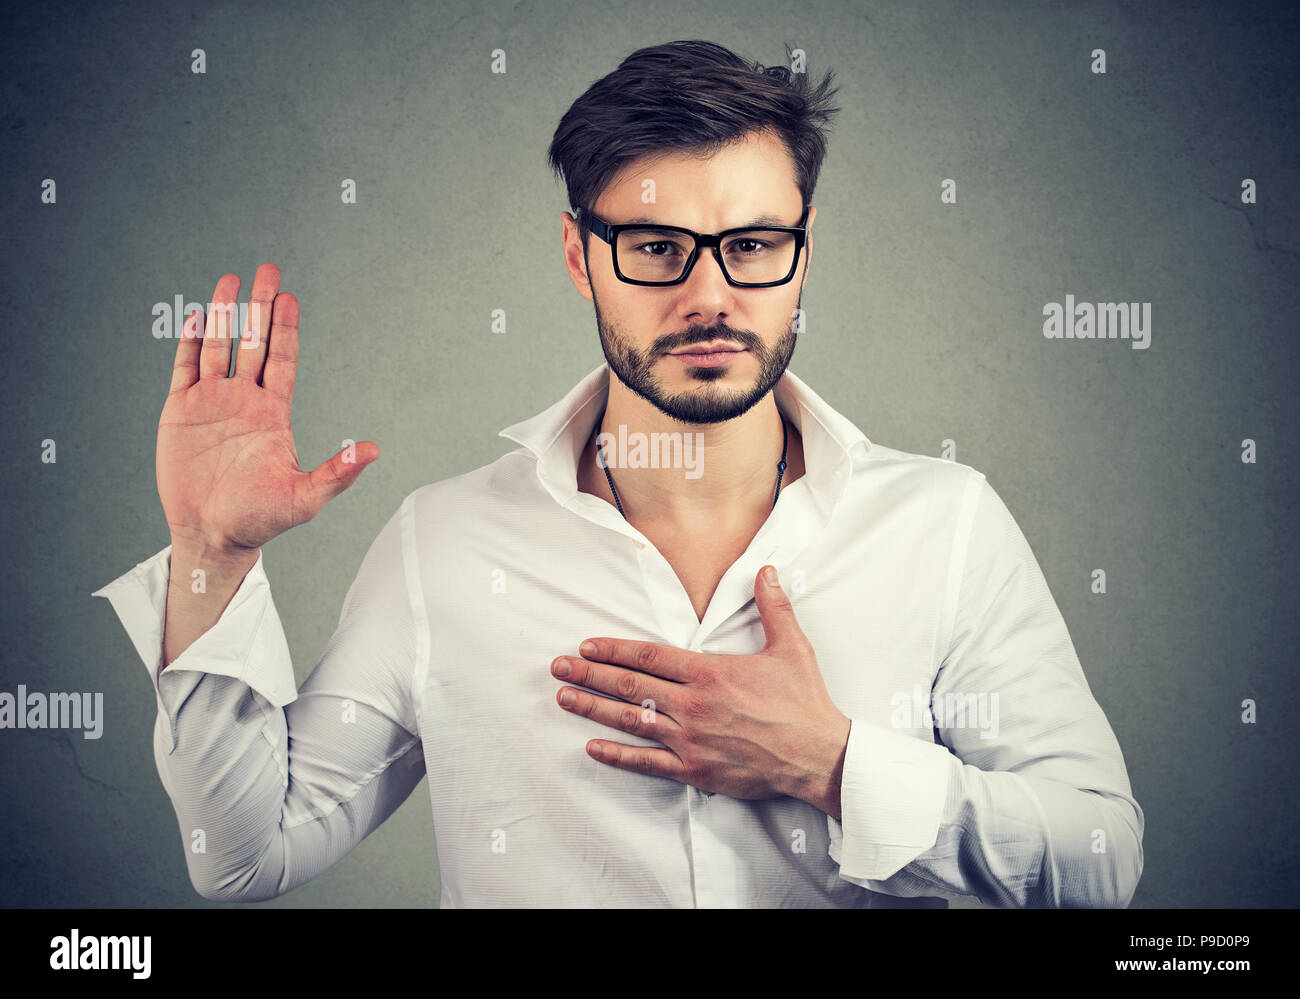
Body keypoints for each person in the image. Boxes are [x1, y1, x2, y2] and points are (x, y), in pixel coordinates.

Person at [93, 39, 1143, 907]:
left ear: (803, 249)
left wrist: (830, 765)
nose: (709, 294)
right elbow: (245, 854)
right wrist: (210, 558)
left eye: (752, 244)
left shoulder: (944, 526)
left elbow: (1100, 861)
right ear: (576, 253)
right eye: (654, 247)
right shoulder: (445, 544)